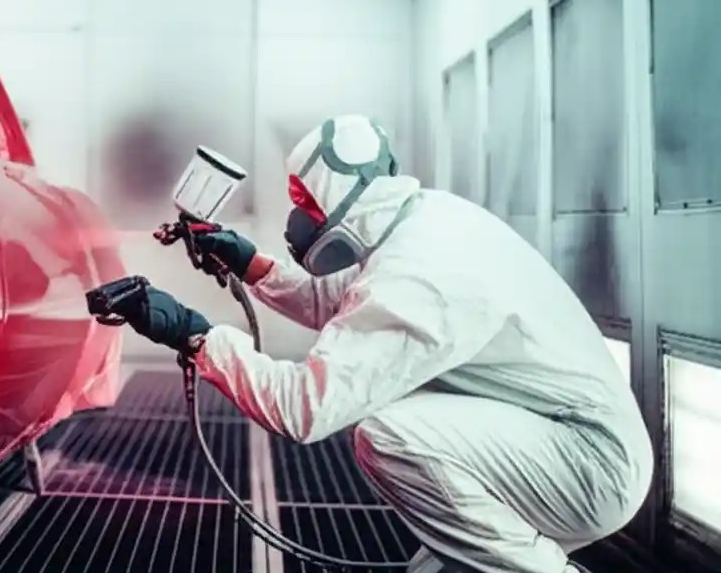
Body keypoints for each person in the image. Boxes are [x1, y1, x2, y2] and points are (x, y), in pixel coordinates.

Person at [112, 114, 652, 573]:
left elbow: (306, 408)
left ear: (344, 197)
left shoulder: (420, 275)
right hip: (546, 436)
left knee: (388, 435)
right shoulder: (418, 220)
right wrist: (246, 261)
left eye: (306, 202)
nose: (299, 220)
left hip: (585, 463)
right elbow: (341, 303)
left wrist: (192, 334)